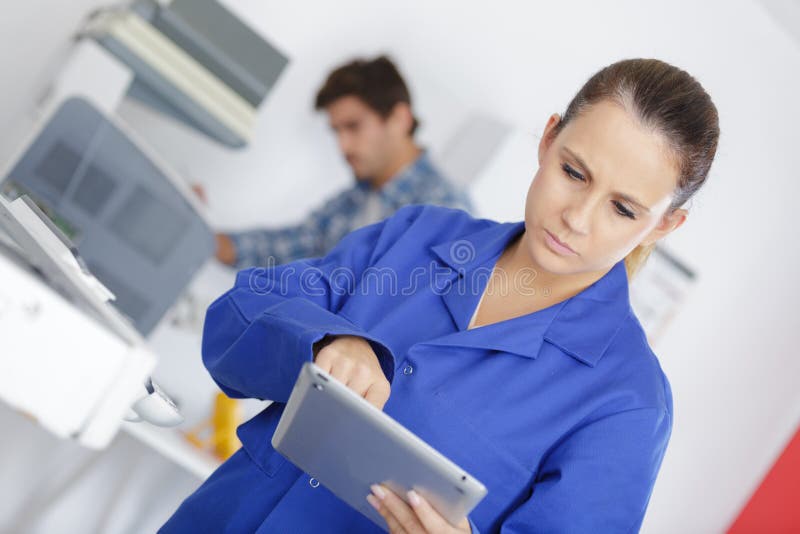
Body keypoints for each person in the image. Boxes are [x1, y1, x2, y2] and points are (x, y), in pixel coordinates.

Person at [160, 58, 719, 533]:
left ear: (664, 226)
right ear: (548, 139)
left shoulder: (627, 402)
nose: (577, 218)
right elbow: (239, 314)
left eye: (623, 209)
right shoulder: (419, 237)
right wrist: (327, 339)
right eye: (573, 172)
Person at [215, 55, 473, 268]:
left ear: (399, 119)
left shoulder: (446, 211)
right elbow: (292, 244)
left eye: (353, 127)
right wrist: (208, 241)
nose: (342, 146)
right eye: (336, 131)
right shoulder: (355, 199)